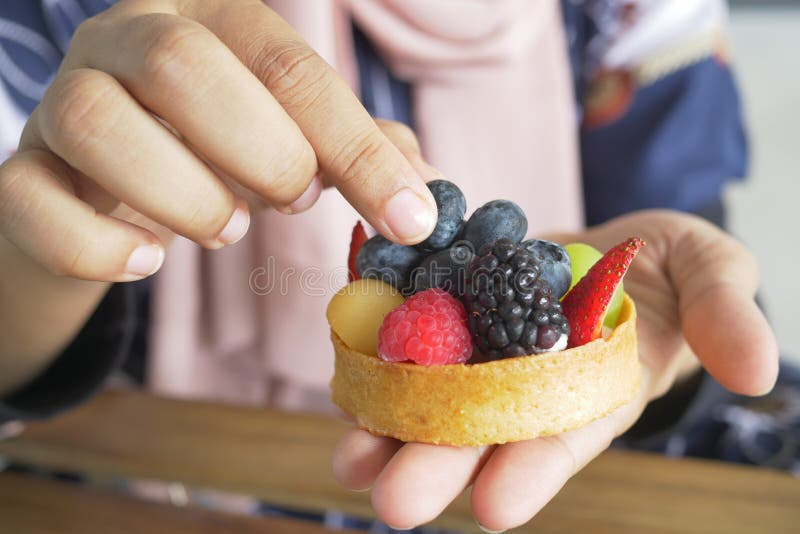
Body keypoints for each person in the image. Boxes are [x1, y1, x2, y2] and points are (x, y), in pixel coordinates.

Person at [0, 1, 781, 532]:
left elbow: (672, 295)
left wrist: (674, 346)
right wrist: (62, 236)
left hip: (600, 485)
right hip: (158, 479)